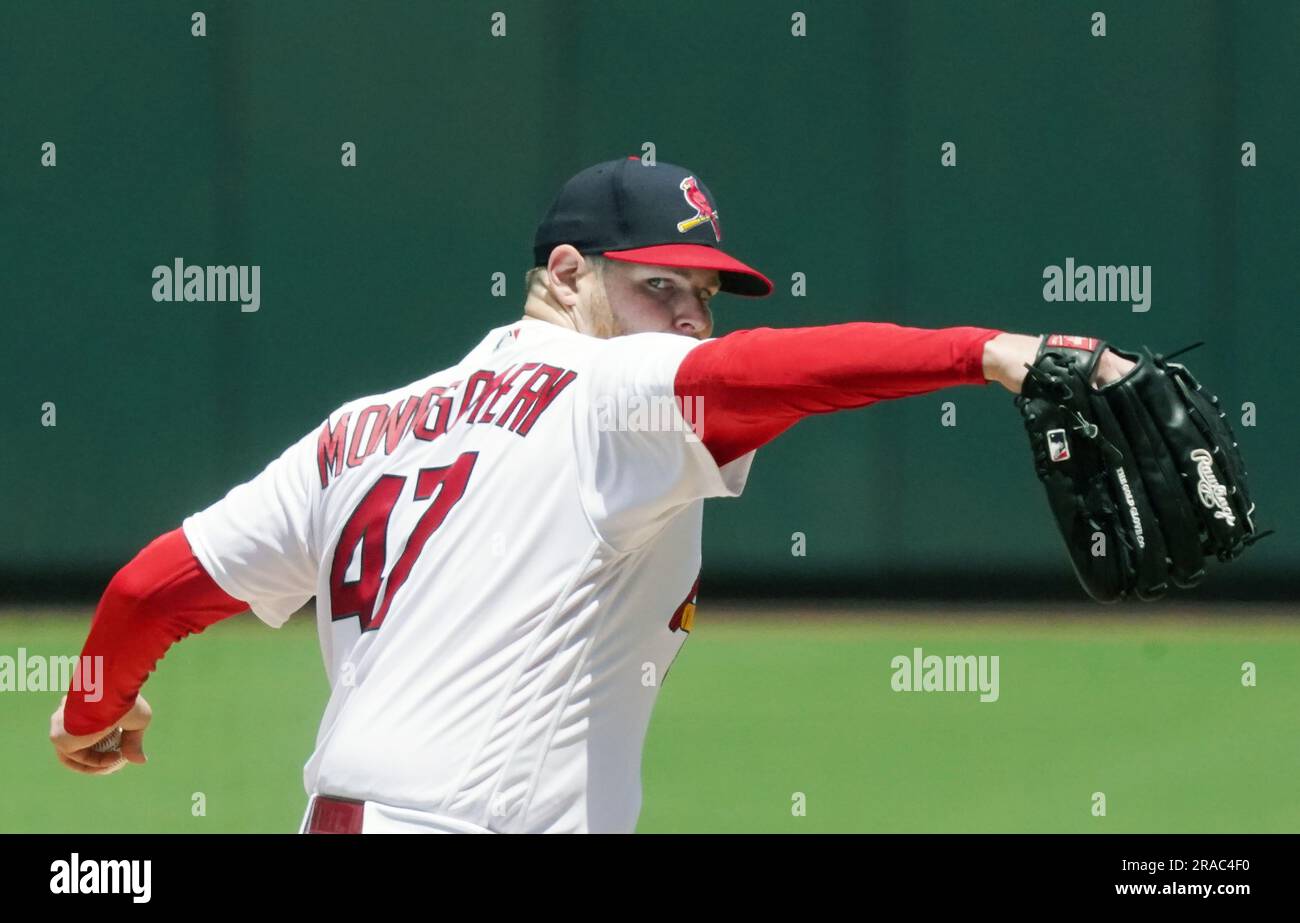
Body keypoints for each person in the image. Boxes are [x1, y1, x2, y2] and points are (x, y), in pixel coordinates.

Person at [49, 157, 1135, 833]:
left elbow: (156, 584)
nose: (688, 316)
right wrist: (989, 350)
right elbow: (771, 372)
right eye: (657, 285)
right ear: (566, 272)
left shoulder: (360, 428)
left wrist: (90, 709)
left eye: (703, 293)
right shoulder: (606, 389)